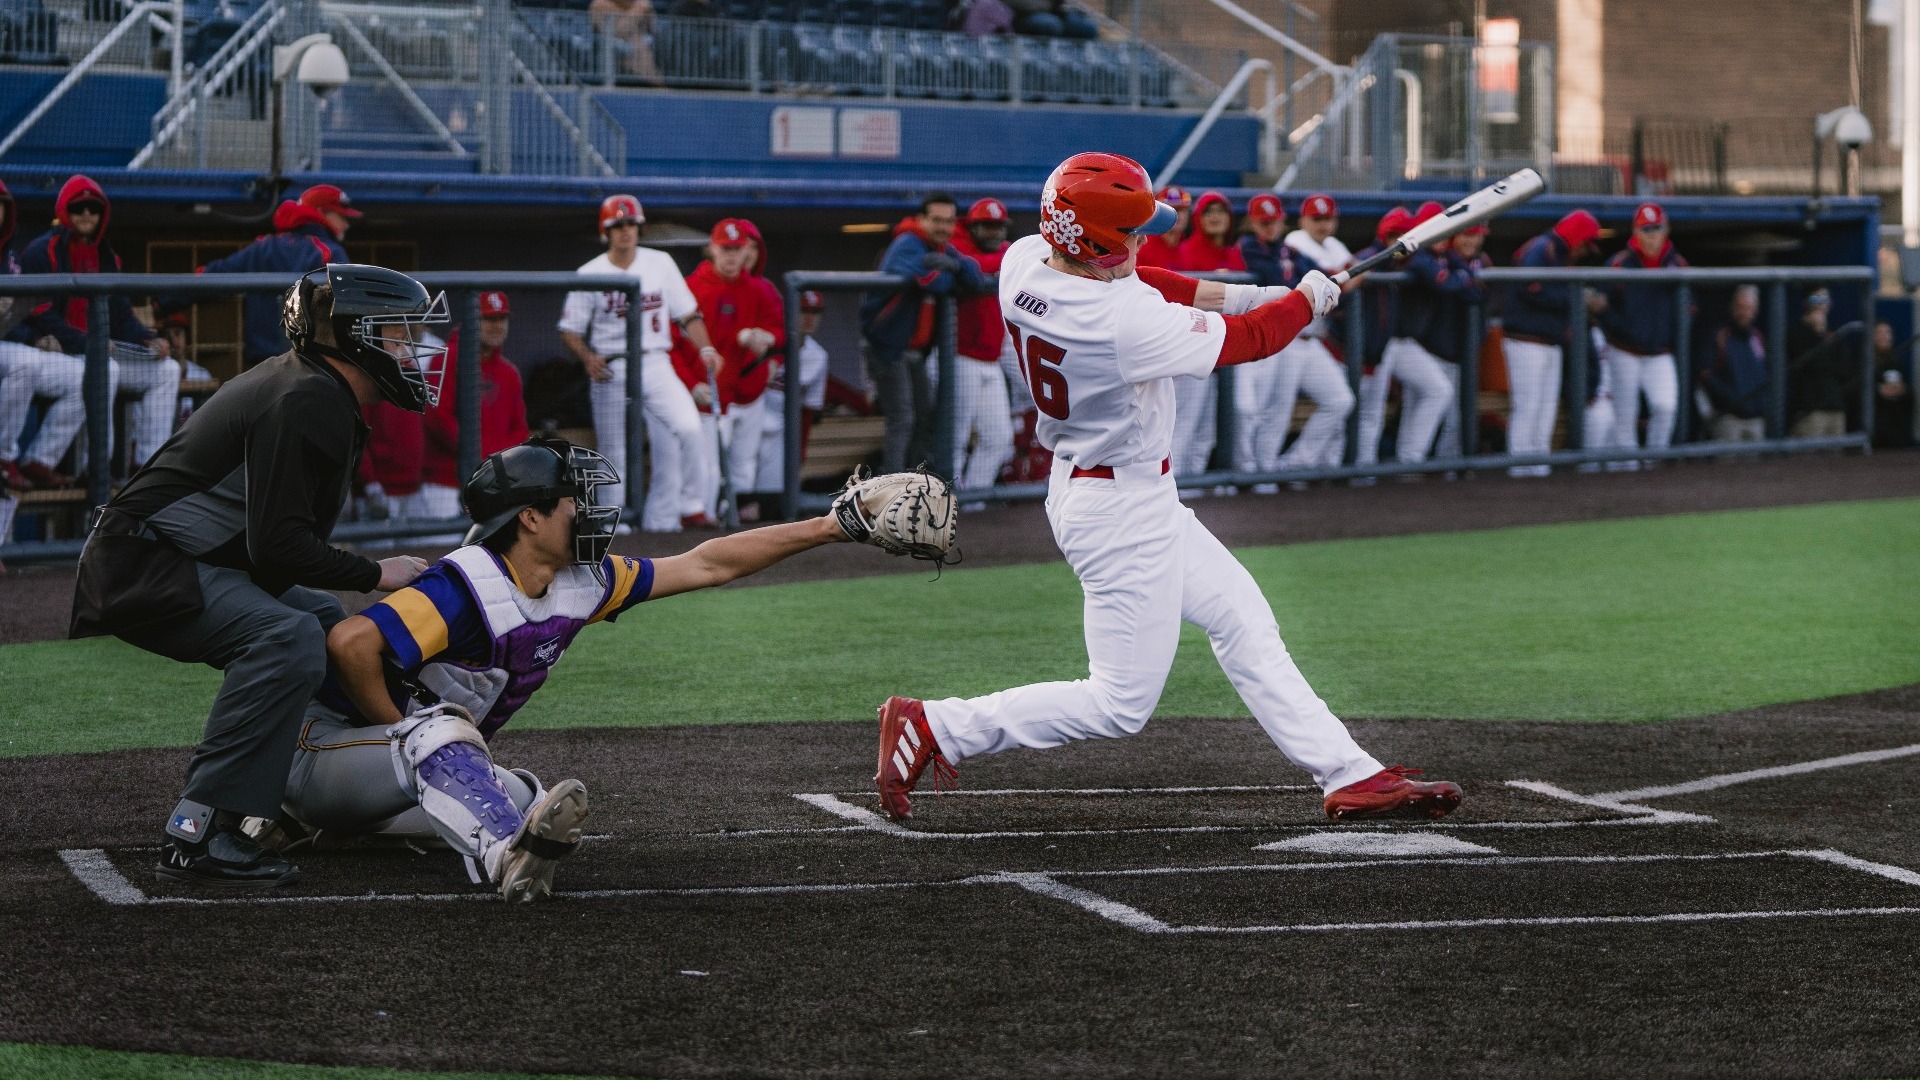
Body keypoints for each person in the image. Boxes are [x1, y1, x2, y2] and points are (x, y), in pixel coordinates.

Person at [871, 151, 1462, 826]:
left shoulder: (1025, 260)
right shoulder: (1120, 325)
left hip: (1117, 492)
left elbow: (1141, 277)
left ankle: (1349, 772)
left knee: (1244, 620)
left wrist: (1240, 292)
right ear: (1091, 239)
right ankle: (937, 726)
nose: (1143, 237)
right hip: (1118, 510)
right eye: (1129, 229)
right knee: (1119, 704)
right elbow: (1251, 342)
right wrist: (1306, 301)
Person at [270, 438, 925, 902]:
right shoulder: (464, 585)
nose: (583, 511)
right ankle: (503, 859)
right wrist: (401, 734)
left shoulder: (582, 580)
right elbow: (352, 641)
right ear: (529, 518)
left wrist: (828, 528)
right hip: (316, 756)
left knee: (520, 798)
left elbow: (708, 562)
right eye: (568, 501)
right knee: (443, 737)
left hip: (378, 781)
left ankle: (395, 822)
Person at [69, 264, 443, 888]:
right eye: (397, 332)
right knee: (285, 637)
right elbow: (277, 547)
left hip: (177, 557)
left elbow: (273, 541)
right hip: (143, 563)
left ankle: (330, 791)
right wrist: (378, 572)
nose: (412, 348)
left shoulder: (314, 387)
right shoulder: (306, 397)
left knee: (321, 620)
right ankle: (204, 827)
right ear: (352, 336)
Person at [558, 194, 722, 531]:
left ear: (639, 228)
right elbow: (569, 330)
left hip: (654, 360)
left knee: (688, 426)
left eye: (630, 223)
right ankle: (612, 523)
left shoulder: (660, 262)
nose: (625, 230)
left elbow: (688, 314)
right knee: (613, 448)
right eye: (617, 225)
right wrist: (588, 357)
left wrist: (706, 348)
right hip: (612, 365)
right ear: (606, 232)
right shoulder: (590, 272)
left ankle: (691, 504)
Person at [11, 174, 177, 482]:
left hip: (102, 351)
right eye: (78, 207)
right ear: (64, 211)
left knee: (167, 369)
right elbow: (41, 314)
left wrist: (148, 339)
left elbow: (122, 315)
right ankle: (95, 468)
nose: (86, 214)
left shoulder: (107, 256)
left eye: (93, 208)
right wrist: (87, 342)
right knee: (107, 369)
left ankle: (146, 467)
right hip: (64, 353)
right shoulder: (41, 250)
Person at [858, 193, 990, 474]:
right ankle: (889, 489)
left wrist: (954, 266)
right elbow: (934, 282)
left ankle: (913, 484)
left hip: (915, 351)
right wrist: (950, 274)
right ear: (921, 220)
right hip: (887, 346)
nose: (943, 227)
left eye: (949, 221)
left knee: (924, 417)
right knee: (903, 418)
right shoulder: (907, 243)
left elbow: (975, 277)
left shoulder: (940, 249)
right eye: (937, 220)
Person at [169, 185, 351, 369]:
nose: (347, 224)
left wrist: (161, 304)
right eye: (342, 216)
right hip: (313, 364)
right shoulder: (329, 252)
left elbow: (211, 276)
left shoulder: (265, 246)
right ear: (322, 213)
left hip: (263, 364)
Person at [683, 218, 781, 523]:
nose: (732, 256)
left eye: (738, 249)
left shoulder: (759, 289)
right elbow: (674, 342)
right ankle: (700, 521)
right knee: (706, 466)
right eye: (726, 248)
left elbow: (780, 334)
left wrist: (767, 341)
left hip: (748, 392)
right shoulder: (692, 287)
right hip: (706, 392)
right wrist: (688, 384)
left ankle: (732, 522)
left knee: (743, 465)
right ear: (712, 248)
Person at [1503, 208, 1603, 476]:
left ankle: (1538, 469)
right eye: (1585, 244)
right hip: (1526, 341)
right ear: (1577, 236)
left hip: (1549, 342)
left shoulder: (1560, 254)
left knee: (1546, 407)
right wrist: (1575, 299)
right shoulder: (1542, 248)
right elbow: (1532, 288)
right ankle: (1519, 470)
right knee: (1528, 406)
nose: (1585, 251)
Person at [0, 177, 82, 494]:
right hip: (13, 355)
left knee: (83, 374)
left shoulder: (9, 257)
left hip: (11, 347)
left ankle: (39, 460)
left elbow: (23, 314)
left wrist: (35, 338)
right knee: (26, 362)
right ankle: (3, 457)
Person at [415, 290, 528, 518]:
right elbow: (437, 419)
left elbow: (520, 430)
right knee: (442, 550)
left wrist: (497, 466)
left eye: (501, 319)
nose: (496, 326)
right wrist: (482, 459)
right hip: (446, 484)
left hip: (494, 485)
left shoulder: (509, 373)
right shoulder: (445, 359)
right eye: (488, 319)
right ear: (472, 320)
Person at [1376, 201, 1470, 466]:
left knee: (1438, 390)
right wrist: (1464, 274)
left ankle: (1410, 459)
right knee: (1368, 411)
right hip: (1384, 342)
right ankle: (1363, 471)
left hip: (1405, 344)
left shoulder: (1439, 256)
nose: (1442, 238)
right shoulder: (1419, 257)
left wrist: (1459, 268)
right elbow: (1451, 284)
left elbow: (1464, 282)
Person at [1273, 192, 1358, 474]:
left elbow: (1350, 269)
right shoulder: (1294, 241)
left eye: (1327, 218)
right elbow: (1337, 279)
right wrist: (1352, 275)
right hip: (1286, 340)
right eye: (1316, 218)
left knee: (1340, 401)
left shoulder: (1335, 244)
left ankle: (1294, 466)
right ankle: (1259, 476)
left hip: (1313, 341)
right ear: (1303, 220)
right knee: (1277, 412)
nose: (1322, 224)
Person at [1599, 202, 1685, 461]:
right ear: (1635, 231)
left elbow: (1689, 307)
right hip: (1624, 350)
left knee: (1666, 406)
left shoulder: (1677, 264)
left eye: (1656, 228)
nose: (1652, 235)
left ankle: (1653, 463)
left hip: (1659, 352)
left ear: (1666, 229)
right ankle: (1626, 475)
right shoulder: (1619, 263)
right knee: (1624, 416)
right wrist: (1616, 324)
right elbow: (1602, 304)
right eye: (1646, 229)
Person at [1168, 192, 1244, 483]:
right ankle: (1175, 489)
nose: (1214, 216)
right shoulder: (1184, 251)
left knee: (1205, 431)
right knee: (1183, 428)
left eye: (1220, 210)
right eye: (1207, 210)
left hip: (1224, 352)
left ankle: (1194, 486)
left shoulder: (1233, 252)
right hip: (1191, 351)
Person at [949, 197, 1019, 492]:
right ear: (972, 226)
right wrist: (1005, 264)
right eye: (986, 227)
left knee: (999, 437)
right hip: (959, 357)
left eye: (998, 227)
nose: (994, 233)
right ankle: (947, 499)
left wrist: (1000, 264)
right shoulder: (956, 244)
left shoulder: (1004, 251)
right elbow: (967, 263)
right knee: (956, 436)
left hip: (990, 359)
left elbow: (999, 259)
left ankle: (974, 498)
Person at [1230, 192, 1298, 483]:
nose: (1269, 227)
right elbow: (1277, 280)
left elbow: (1306, 272)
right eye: (1263, 222)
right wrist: (1295, 279)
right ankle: (1243, 470)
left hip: (1273, 336)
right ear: (1252, 222)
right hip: (1247, 334)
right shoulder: (1248, 247)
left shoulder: (1286, 249)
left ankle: (1262, 470)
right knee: (1246, 409)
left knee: (1270, 407)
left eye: (1274, 221)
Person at [1349, 206, 1412, 472]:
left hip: (1379, 350)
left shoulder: (1404, 263)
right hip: (1353, 352)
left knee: (1371, 413)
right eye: (1392, 235)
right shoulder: (1367, 259)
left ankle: (1364, 470)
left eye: (1401, 236)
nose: (1395, 242)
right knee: (1348, 411)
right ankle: (1344, 472)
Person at [754, 289, 830, 499]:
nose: (809, 317)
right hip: (751, 420)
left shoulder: (819, 356)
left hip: (781, 430)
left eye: (815, 312)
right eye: (803, 310)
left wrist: (799, 457)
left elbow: (808, 411)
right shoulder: (767, 344)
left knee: (771, 496)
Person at [1425, 224, 1491, 461]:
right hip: (1432, 351)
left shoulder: (1482, 261)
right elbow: (1471, 293)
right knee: (1425, 414)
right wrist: (1465, 278)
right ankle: (1411, 467)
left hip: (1462, 353)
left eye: (1477, 236)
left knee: (1458, 417)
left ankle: (1448, 469)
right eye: (1467, 235)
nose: (1471, 241)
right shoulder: (1444, 259)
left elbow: (1482, 295)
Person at [1786, 289, 1859, 438]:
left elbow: (1844, 370)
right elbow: (1810, 365)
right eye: (1815, 299)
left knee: (1835, 460)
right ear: (1806, 303)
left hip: (1835, 409)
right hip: (1809, 411)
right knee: (1807, 460)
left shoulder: (1835, 336)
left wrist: (1823, 335)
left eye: (1824, 299)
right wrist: (1817, 334)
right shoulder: (1796, 333)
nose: (1820, 304)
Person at [1701, 285, 1769, 442]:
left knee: (1757, 465)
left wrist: (1762, 404)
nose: (1743, 313)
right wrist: (1731, 399)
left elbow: (1768, 373)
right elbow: (1705, 375)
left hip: (1756, 419)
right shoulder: (1719, 336)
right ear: (1732, 307)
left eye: (1748, 308)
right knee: (1727, 465)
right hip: (1728, 419)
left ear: (1755, 310)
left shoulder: (1758, 338)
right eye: (1740, 307)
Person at [587, 0, 661, 84]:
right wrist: (637, 12)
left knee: (639, 44)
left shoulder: (642, 5)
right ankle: (659, 85)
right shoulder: (599, 4)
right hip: (609, 45)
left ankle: (657, 83)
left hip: (637, 43)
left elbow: (654, 30)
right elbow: (618, 31)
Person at [1871, 321, 1914, 448]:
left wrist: (1902, 389)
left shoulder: (1895, 360)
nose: (1884, 336)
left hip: (1898, 432)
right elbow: (1855, 389)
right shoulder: (1863, 359)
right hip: (1875, 433)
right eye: (1879, 333)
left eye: (1887, 333)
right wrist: (1879, 390)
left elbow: (1908, 394)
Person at [1135, 185, 1190, 270]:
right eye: (1169, 209)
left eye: (1180, 209)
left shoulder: (1191, 248)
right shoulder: (1142, 247)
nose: (1175, 214)